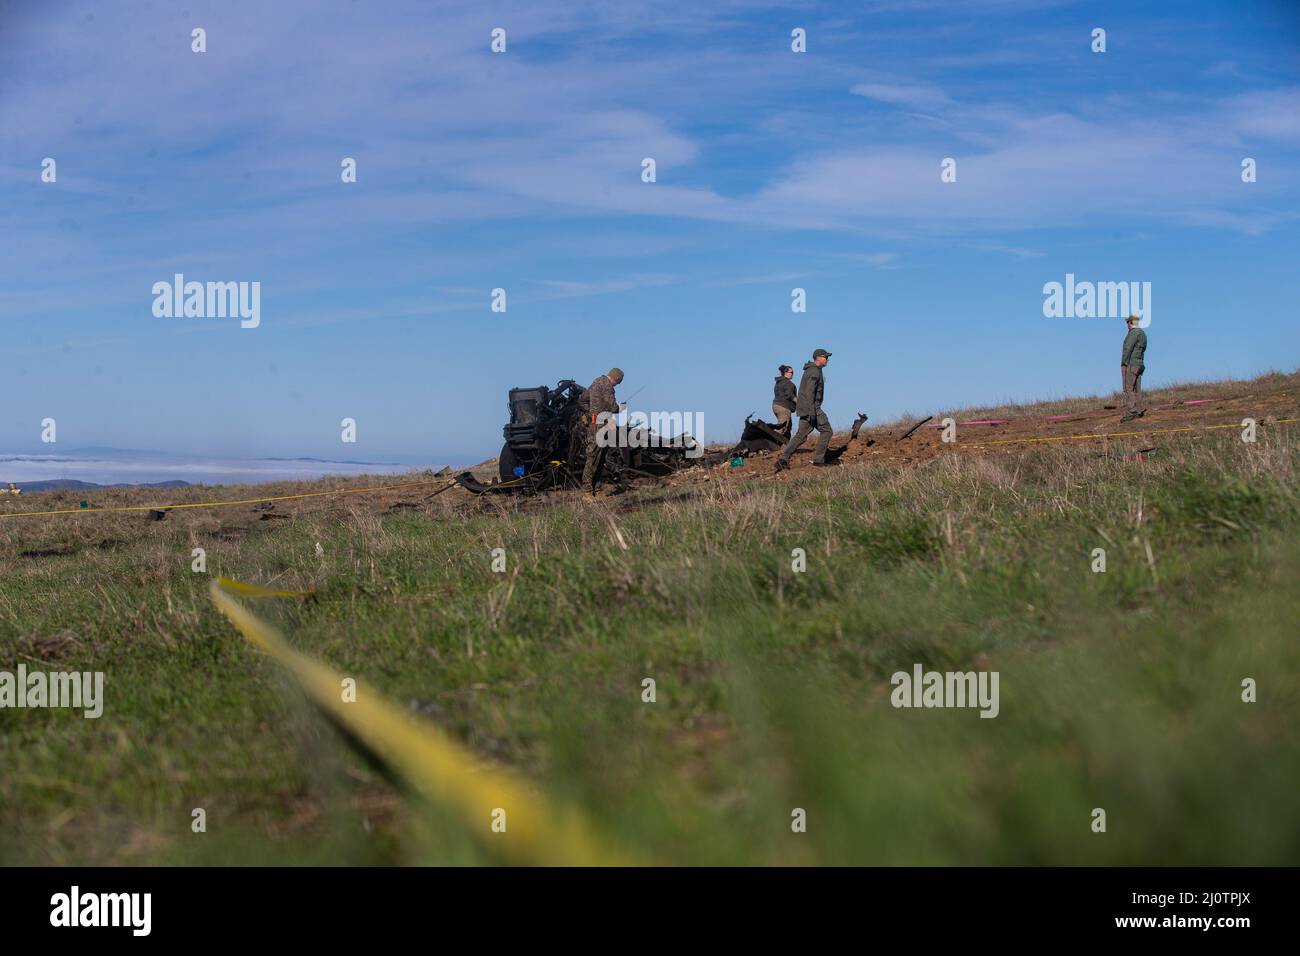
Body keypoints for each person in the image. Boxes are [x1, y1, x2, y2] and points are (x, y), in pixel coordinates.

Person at [776, 349, 837, 470]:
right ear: (818, 358)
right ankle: (819, 460)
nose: (827, 359)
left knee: (801, 435)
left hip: (806, 407)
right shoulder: (814, 371)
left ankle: (783, 459)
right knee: (827, 431)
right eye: (825, 357)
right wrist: (811, 412)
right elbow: (810, 392)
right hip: (812, 407)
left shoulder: (813, 370)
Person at [581, 367, 623, 494]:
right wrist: (619, 408)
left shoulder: (596, 382)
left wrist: (590, 412)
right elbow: (612, 406)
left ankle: (596, 487)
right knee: (594, 456)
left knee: (598, 455)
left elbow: (582, 399)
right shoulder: (608, 386)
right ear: (617, 379)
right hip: (600, 425)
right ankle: (587, 490)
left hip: (593, 423)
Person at [1120, 315, 1147, 423]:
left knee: (1128, 388)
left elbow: (1128, 348)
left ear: (1130, 322)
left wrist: (1124, 363)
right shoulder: (1142, 333)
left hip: (1131, 364)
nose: (1127, 324)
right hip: (1140, 363)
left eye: (1127, 322)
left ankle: (1132, 411)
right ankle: (1138, 409)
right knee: (1137, 388)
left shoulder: (1133, 333)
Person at [772, 365, 796, 432]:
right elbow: (790, 395)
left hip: (776, 406)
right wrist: (800, 402)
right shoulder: (788, 383)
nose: (792, 374)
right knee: (781, 428)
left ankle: (786, 442)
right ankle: (770, 441)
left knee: (788, 427)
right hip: (784, 407)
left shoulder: (779, 382)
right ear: (785, 373)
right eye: (791, 372)